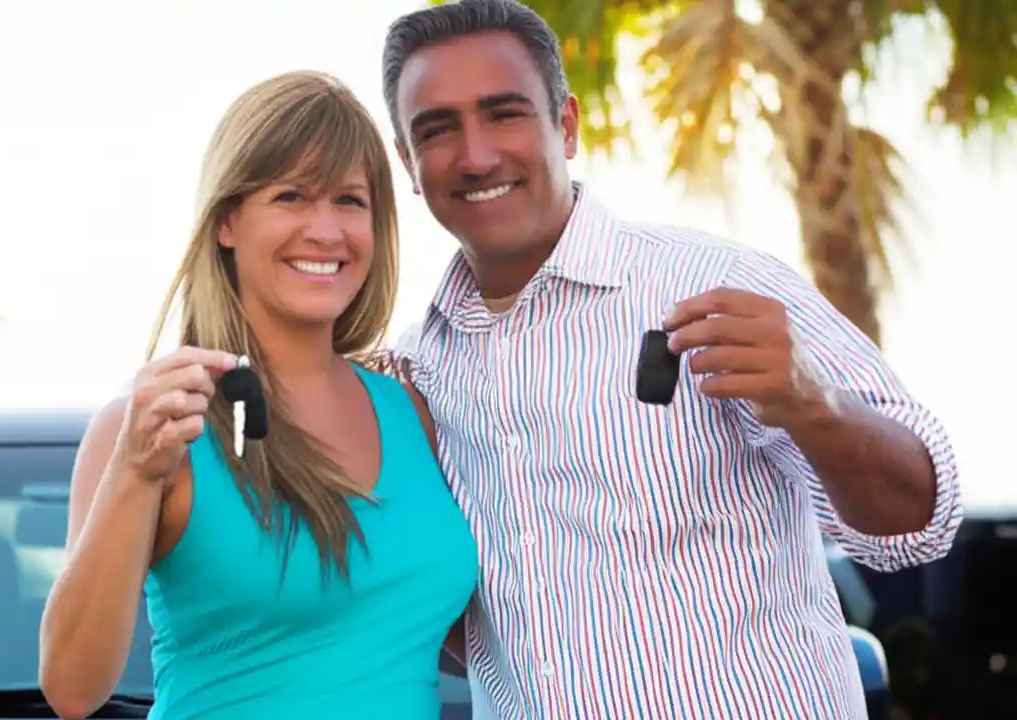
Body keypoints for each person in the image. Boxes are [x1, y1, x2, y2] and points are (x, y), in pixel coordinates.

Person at [377, 1, 963, 717]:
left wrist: (816, 404)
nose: (475, 155)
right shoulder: (416, 371)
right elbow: (471, 628)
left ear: (566, 125)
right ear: (407, 161)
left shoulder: (717, 284)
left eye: (505, 114)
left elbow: (919, 526)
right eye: (437, 130)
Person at [38, 70, 479, 720]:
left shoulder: (410, 411)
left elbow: (465, 637)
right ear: (226, 221)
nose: (326, 230)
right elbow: (73, 690)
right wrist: (134, 470)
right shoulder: (156, 427)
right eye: (291, 196)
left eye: (350, 201)